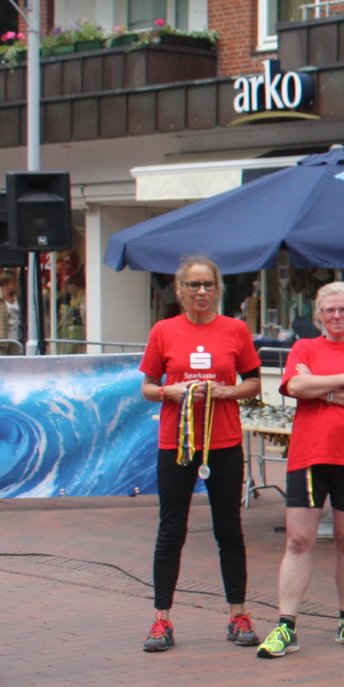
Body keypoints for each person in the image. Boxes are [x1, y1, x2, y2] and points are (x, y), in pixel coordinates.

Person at [137, 254, 263, 652]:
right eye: (193, 285)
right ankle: (161, 620)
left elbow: (254, 382)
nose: (202, 292)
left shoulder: (235, 330)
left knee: (229, 529)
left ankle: (238, 613)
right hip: (177, 444)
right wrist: (166, 392)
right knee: (171, 530)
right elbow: (147, 386)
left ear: (218, 288)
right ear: (180, 290)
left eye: (208, 284)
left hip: (223, 443)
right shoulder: (164, 330)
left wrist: (226, 391)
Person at [256, 281, 344, 659]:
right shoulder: (304, 348)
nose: (337, 316)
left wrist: (321, 390)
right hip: (309, 456)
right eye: (330, 310)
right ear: (319, 314)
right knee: (298, 540)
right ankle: (286, 625)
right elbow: (295, 385)